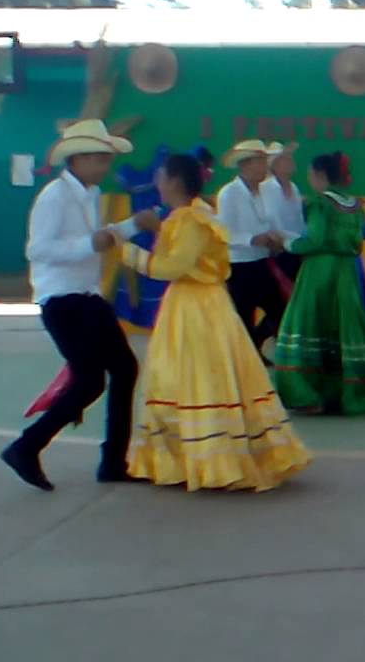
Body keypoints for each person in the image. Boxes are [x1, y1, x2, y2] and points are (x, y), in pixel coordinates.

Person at [121, 153, 310, 491]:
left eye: (161, 178)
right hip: (203, 303)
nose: (158, 185)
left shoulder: (189, 218)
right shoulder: (196, 214)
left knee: (196, 375)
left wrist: (124, 251)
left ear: (175, 182)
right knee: (207, 373)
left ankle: (209, 459)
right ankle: (204, 455)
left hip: (195, 307)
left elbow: (172, 267)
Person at [0, 120, 156, 491]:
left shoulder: (89, 194)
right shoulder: (54, 197)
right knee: (90, 381)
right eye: (100, 158)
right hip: (63, 301)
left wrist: (132, 225)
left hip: (87, 298)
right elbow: (37, 250)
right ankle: (27, 447)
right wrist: (91, 244)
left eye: (106, 158)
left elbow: (98, 238)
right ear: (78, 158)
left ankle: (113, 462)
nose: (105, 165)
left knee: (124, 369)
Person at [273, 152, 365, 415]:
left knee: (308, 324)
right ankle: (352, 390)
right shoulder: (352, 204)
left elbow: (315, 239)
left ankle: (311, 394)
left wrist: (286, 242)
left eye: (310, 174)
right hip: (347, 271)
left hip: (320, 272)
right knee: (346, 327)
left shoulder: (320, 204)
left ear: (321, 176)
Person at [216, 139, 288, 364]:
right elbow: (223, 234)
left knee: (282, 311)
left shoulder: (266, 191)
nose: (264, 166)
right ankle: (248, 362)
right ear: (244, 165)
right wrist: (252, 239)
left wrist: (275, 238)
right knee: (244, 317)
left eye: (265, 161)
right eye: (259, 161)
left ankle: (256, 348)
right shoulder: (228, 194)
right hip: (240, 266)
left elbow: (270, 223)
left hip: (263, 262)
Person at [261, 142, 304, 285]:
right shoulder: (268, 187)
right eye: (285, 159)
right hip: (279, 252)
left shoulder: (293, 187)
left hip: (297, 250)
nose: (290, 162)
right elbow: (273, 221)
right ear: (274, 165)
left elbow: (299, 220)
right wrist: (296, 240)